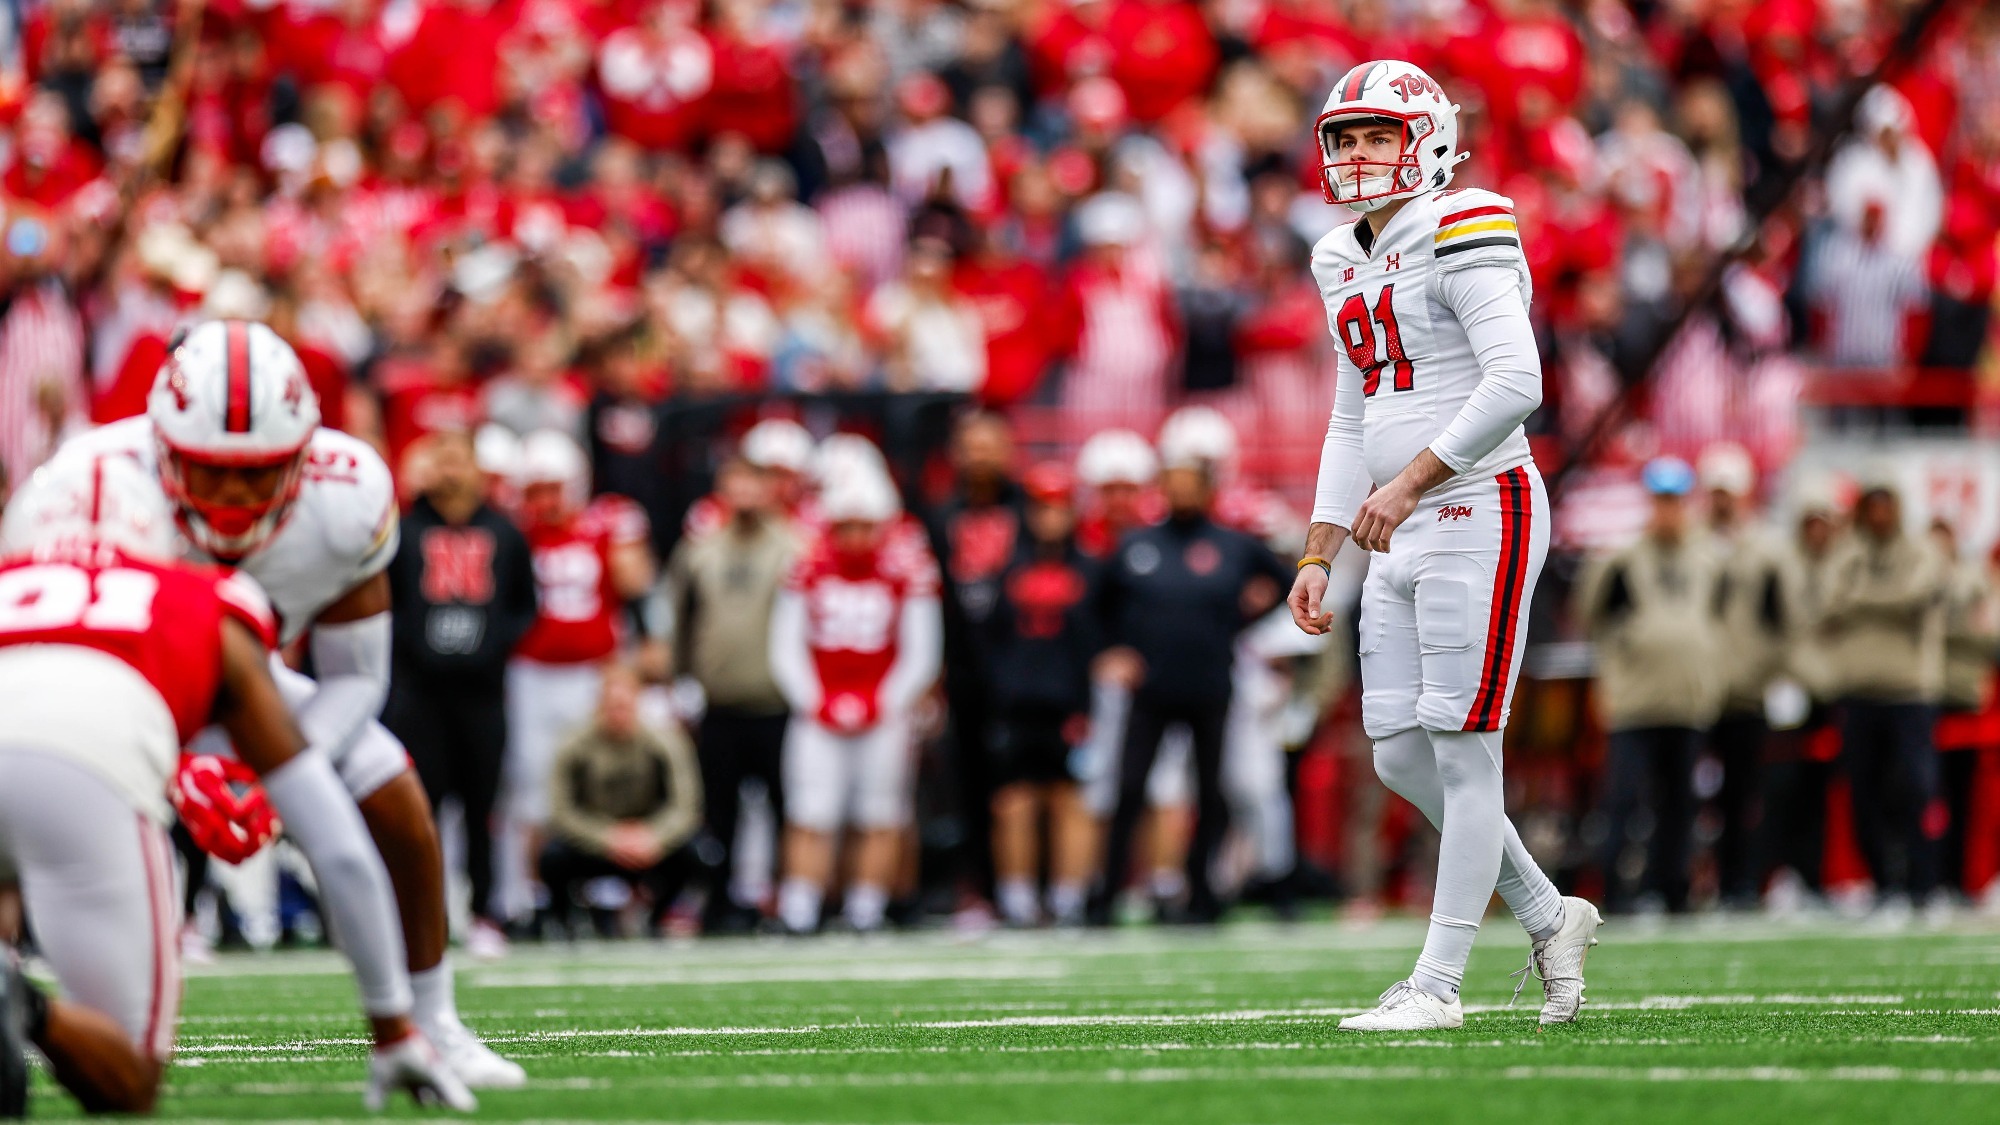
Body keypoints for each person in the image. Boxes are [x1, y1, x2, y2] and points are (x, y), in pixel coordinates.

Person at [50, 320, 523, 1086]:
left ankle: (435, 1021)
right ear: (162, 452)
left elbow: (355, 678)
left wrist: (272, 776)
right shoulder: (94, 481)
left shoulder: (346, 498)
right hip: (115, 690)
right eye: (209, 472)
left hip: (250, 689)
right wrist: (177, 767)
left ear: (305, 457)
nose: (235, 496)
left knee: (391, 787)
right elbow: (60, 663)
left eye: (260, 472)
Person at [0, 454, 471, 1115]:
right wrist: (392, 1025)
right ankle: (20, 1002)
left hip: (48, 747)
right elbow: (334, 841)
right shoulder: (204, 598)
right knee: (127, 1081)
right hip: (80, 771)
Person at [1285, 61, 1600, 1031]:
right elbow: (1351, 416)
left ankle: (1437, 985)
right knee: (1395, 754)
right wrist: (1315, 549)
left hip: (1478, 503)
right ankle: (1548, 914)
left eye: (1375, 135)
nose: (1354, 155)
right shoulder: (1338, 254)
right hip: (1394, 519)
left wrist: (1411, 480)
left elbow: (1515, 380)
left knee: (1465, 755)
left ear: (1425, 139)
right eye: (1341, 137)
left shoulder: (1463, 219)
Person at [1090, 448, 1290, 926]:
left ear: (1207, 489)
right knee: (1130, 789)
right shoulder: (1137, 545)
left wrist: (1247, 617)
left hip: (1209, 687)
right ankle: (1105, 897)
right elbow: (1093, 606)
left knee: (1211, 792)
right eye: (1172, 482)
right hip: (1150, 691)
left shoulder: (1233, 546)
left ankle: (1202, 895)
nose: (1180, 492)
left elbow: (1288, 581)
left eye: (1189, 483)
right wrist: (1113, 650)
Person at [769, 460, 943, 934]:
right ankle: (799, 909)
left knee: (880, 812)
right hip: (819, 711)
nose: (855, 537)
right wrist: (814, 700)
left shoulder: (908, 570)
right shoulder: (805, 567)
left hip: (883, 713)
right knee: (810, 811)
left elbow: (922, 651)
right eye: (845, 526)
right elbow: (785, 645)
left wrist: (882, 702)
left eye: (864, 526)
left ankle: (866, 909)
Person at [384, 430, 540, 959]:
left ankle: (484, 912)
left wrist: (489, 645)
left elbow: (524, 604)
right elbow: (390, 602)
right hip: (421, 694)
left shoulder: (505, 533)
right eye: (442, 461)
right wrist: (420, 650)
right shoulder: (405, 531)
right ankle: (424, 914)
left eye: (460, 461)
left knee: (482, 806)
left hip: (481, 693)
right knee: (423, 809)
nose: (451, 473)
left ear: (478, 469)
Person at [499, 430, 655, 929]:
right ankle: (534, 892)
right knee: (532, 782)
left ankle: (606, 890)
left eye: (553, 488)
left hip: (593, 668)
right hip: (531, 672)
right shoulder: (514, 531)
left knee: (602, 779)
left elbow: (637, 582)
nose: (545, 501)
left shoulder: (606, 523)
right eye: (535, 489)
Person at [1575, 457, 1725, 916]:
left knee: (1680, 805)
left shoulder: (1707, 561)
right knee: (1623, 801)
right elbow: (1588, 615)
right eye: (1661, 501)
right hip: (1635, 702)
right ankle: (1618, 895)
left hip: (1687, 700)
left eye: (1675, 502)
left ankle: (1674, 890)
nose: (1668, 512)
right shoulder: (1621, 562)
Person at [662, 456, 802, 932]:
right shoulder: (699, 550)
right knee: (719, 813)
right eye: (734, 483)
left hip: (778, 699)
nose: (744, 494)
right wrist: (679, 683)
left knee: (788, 809)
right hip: (719, 700)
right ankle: (719, 903)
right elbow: (679, 620)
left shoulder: (794, 547)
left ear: (769, 488)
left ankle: (787, 903)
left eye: (752, 484)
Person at [1823, 473, 1948, 917]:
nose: (1878, 514)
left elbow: (1916, 596)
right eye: (1870, 505)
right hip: (1858, 691)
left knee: (1916, 788)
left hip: (1909, 691)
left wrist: (1861, 601)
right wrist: (1881, 602)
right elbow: (1828, 602)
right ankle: (1884, 882)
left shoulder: (1920, 551)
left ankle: (1924, 883)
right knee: (1863, 794)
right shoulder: (1847, 553)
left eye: (1885, 504)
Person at [985, 462, 1102, 926]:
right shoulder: (1007, 570)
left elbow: (1103, 635)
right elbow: (989, 639)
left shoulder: (1093, 570)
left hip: (1071, 704)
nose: (1050, 519)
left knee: (1070, 800)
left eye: (1058, 508)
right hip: (1016, 703)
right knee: (1014, 802)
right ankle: (1016, 900)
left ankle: (1068, 899)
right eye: (1042, 508)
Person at [539, 664, 710, 936]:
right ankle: (564, 920)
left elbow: (685, 806)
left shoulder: (665, 742)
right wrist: (608, 837)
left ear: (638, 703)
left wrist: (653, 836)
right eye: (611, 705)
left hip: (648, 842)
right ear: (598, 705)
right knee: (551, 856)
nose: (618, 713)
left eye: (624, 704)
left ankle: (658, 918)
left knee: (700, 854)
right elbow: (561, 811)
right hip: (596, 843)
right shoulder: (573, 745)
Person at [1698, 442, 1796, 909]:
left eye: (1728, 492)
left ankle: (1740, 883)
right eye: (1716, 491)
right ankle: (1682, 884)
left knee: (1743, 796)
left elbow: (1784, 620)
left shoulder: (1767, 551)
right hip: (1695, 690)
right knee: (1684, 795)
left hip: (1746, 688)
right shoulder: (1690, 544)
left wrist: (1775, 673)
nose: (1721, 501)